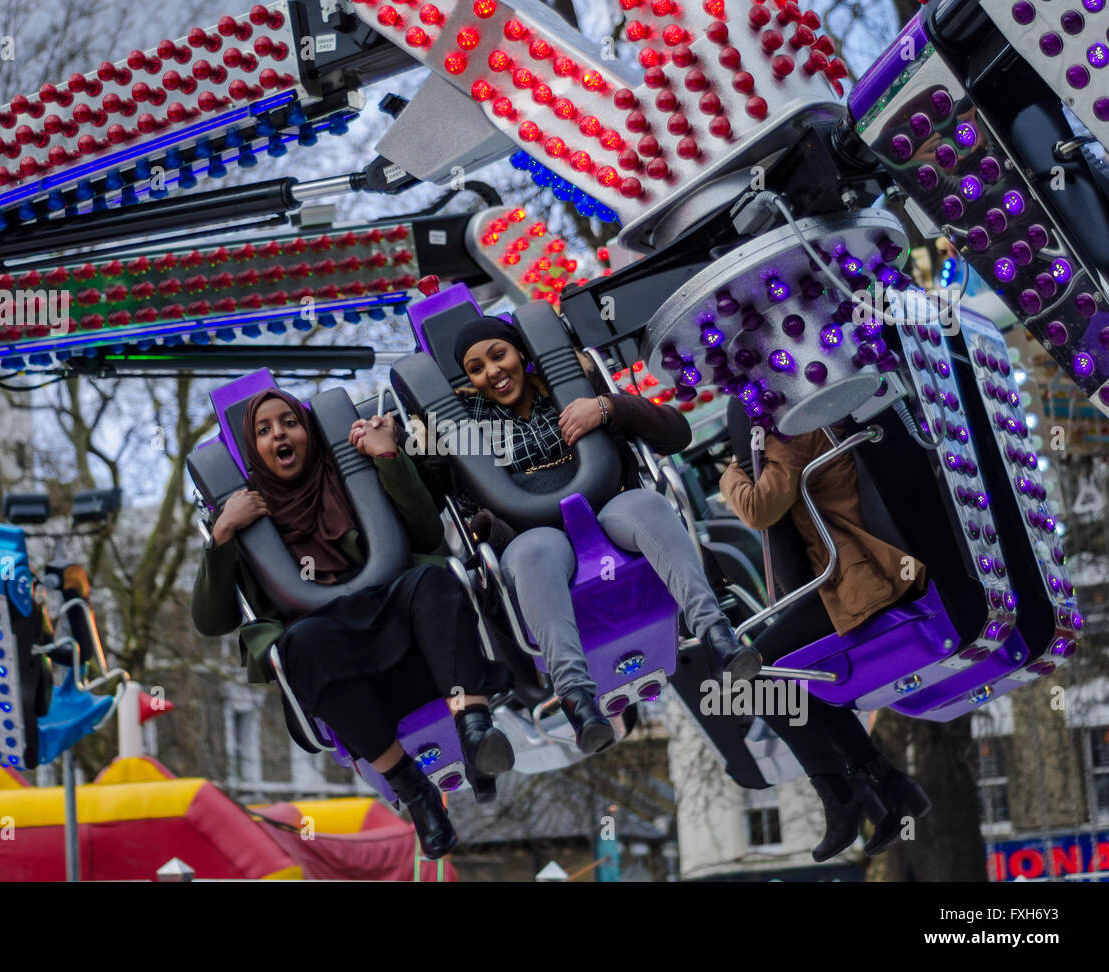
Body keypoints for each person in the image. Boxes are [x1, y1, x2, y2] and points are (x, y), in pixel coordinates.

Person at [191, 389, 512, 860]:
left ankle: (476, 730)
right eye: (263, 430)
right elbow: (210, 620)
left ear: (309, 431)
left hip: (418, 648)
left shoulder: (348, 475)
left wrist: (389, 458)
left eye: (289, 422)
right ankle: (415, 793)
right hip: (346, 680)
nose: (279, 434)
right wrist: (221, 534)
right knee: (302, 640)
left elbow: (426, 531)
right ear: (253, 450)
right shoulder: (247, 521)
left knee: (431, 580)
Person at [446, 317, 760, 756]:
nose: (493, 372)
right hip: (535, 536)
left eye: (499, 355)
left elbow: (676, 433)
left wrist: (610, 406)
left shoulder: (571, 386)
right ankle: (576, 698)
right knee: (532, 554)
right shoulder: (469, 425)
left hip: (609, 510)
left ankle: (717, 634)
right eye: (476, 368)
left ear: (522, 353)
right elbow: (437, 490)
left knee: (648, 505)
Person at [720, 422, 933, 860]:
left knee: (748, 674)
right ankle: (886, 789)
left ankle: (846, 797)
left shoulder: (792, 430)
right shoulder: (809, 418)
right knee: (801, 676)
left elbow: (758, 509)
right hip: (850, 577)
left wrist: (730, 473)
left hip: (857, 580)